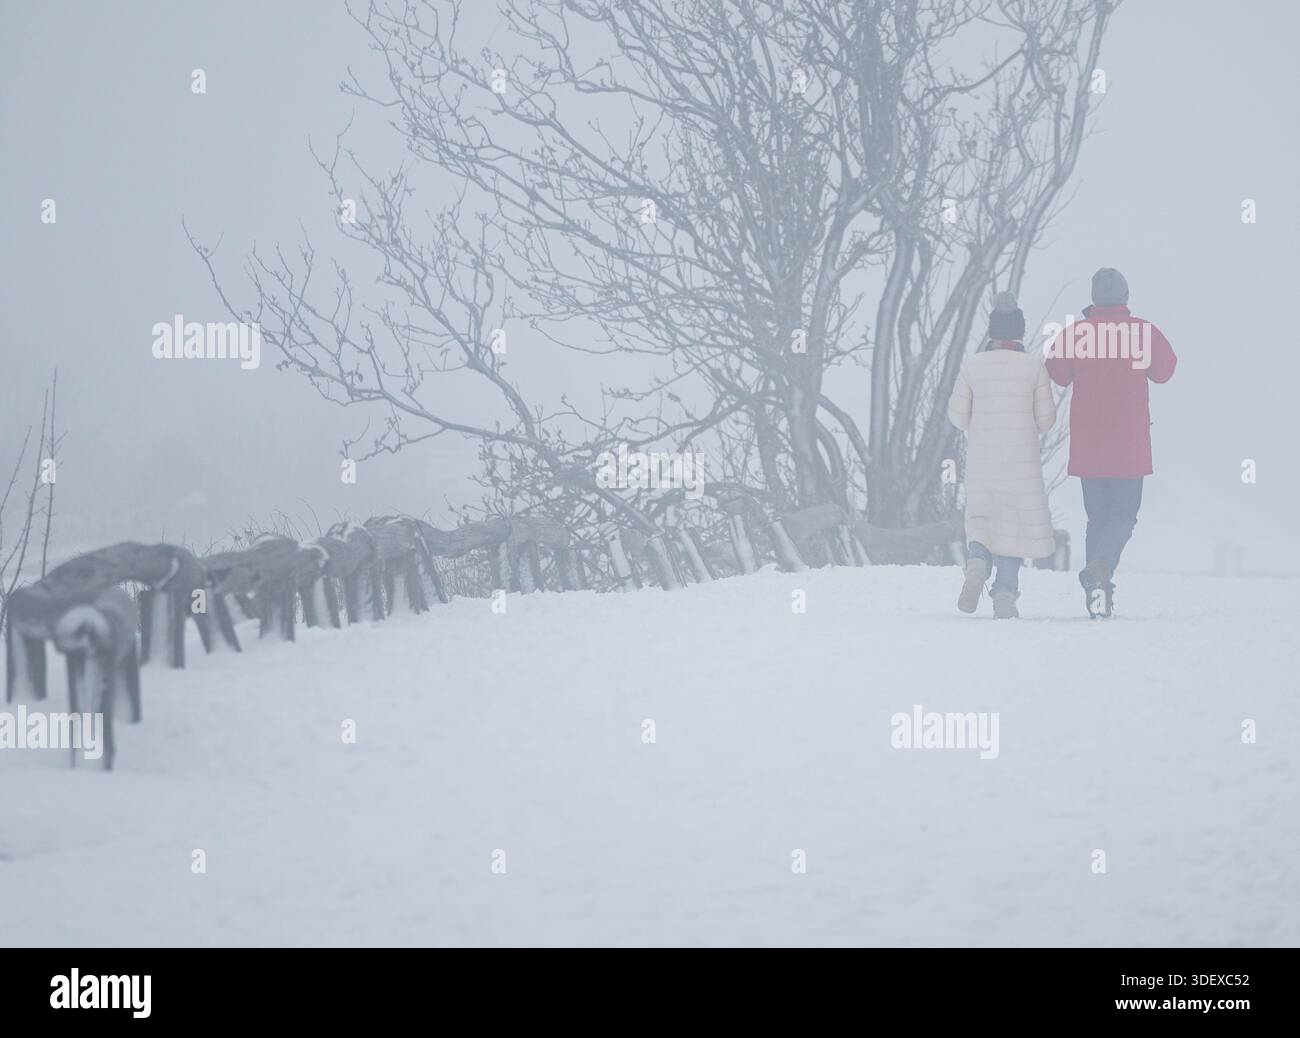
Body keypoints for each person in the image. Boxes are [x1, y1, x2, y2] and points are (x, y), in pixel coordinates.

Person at [1045, 268, 1177, 617]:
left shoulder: (1076, 333)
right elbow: (1165, 371)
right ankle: (1101, 570)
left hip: (1089, 444)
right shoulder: (1141, 333)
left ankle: (1098, 593)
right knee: (1124, 515)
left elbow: (1056, 372)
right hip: (1129, 445)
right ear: (1124, 297)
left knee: (1097, 518)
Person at [948, 292, 1058, 618]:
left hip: (983, 462)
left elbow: (957, 417)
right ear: (1020, 331)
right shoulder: (1033, 366)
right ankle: (1005, 593)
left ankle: (977, 565)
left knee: (982, 522)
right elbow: (1047, 421)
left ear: (992, 331)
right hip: (1020, 465)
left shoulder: (973, 365)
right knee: (1014, 528)